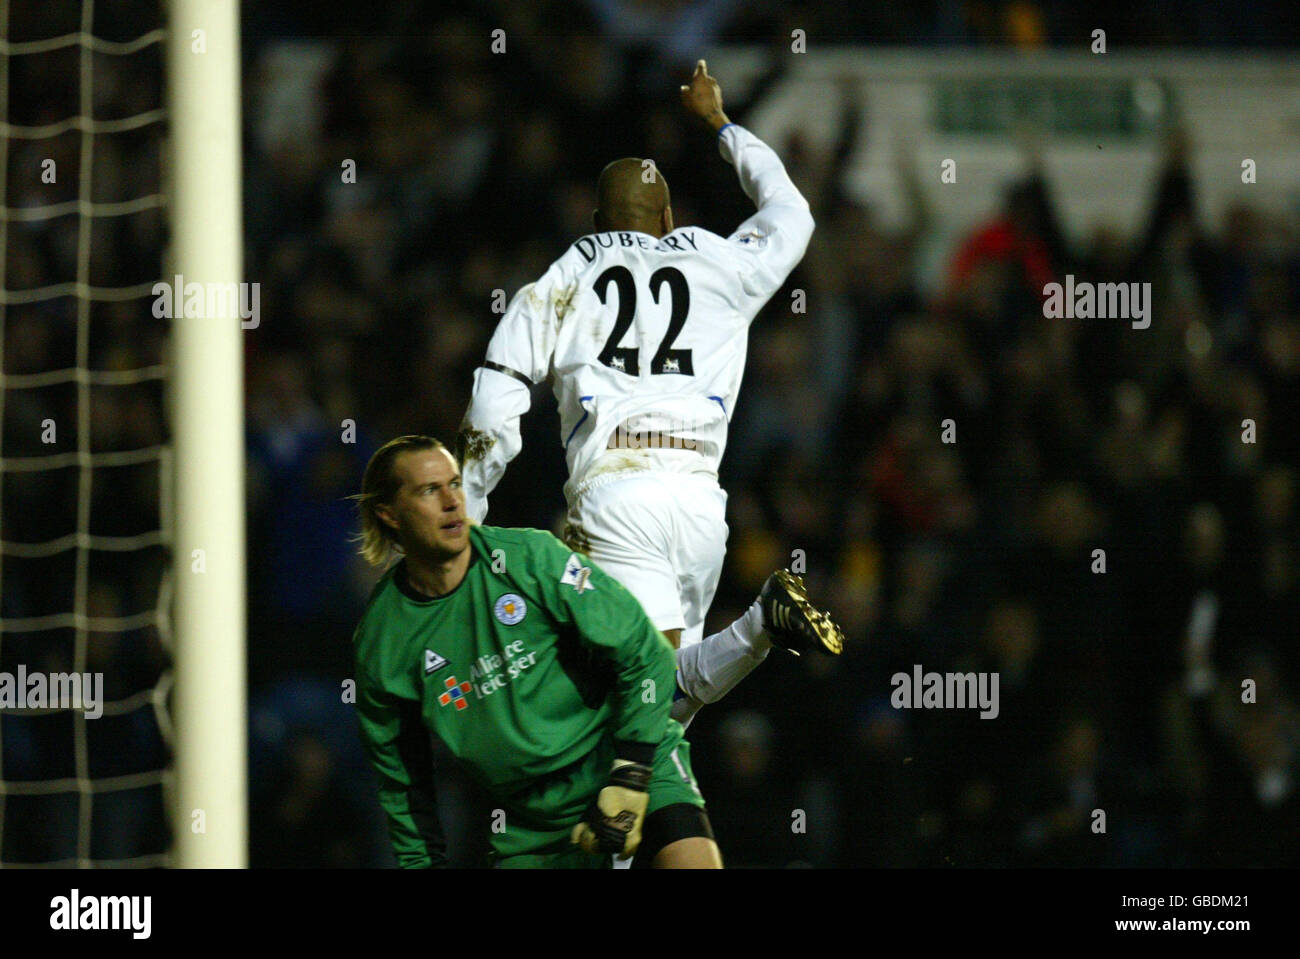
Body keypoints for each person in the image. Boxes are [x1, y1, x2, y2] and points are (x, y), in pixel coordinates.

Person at [458, 60, 843, 735]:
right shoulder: (720, 261)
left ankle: (757, 626)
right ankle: (754, 632)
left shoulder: (568, 273)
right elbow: (792, 213)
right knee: (661, 724)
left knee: (631, 710)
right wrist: (723, 126)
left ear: (596, 218)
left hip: (617, 497)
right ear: (666, 217)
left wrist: (469, 503)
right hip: (699, 502)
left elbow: (496, 402)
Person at [350, 435, 722, 868]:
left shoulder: (527, 558)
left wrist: (631, 773)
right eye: (430, 490)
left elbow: (647, 651)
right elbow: (404, 783)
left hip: (619, 752)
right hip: (532, 821)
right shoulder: (382, 642)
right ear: (388, 513)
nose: (453, 501)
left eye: (454, 483)